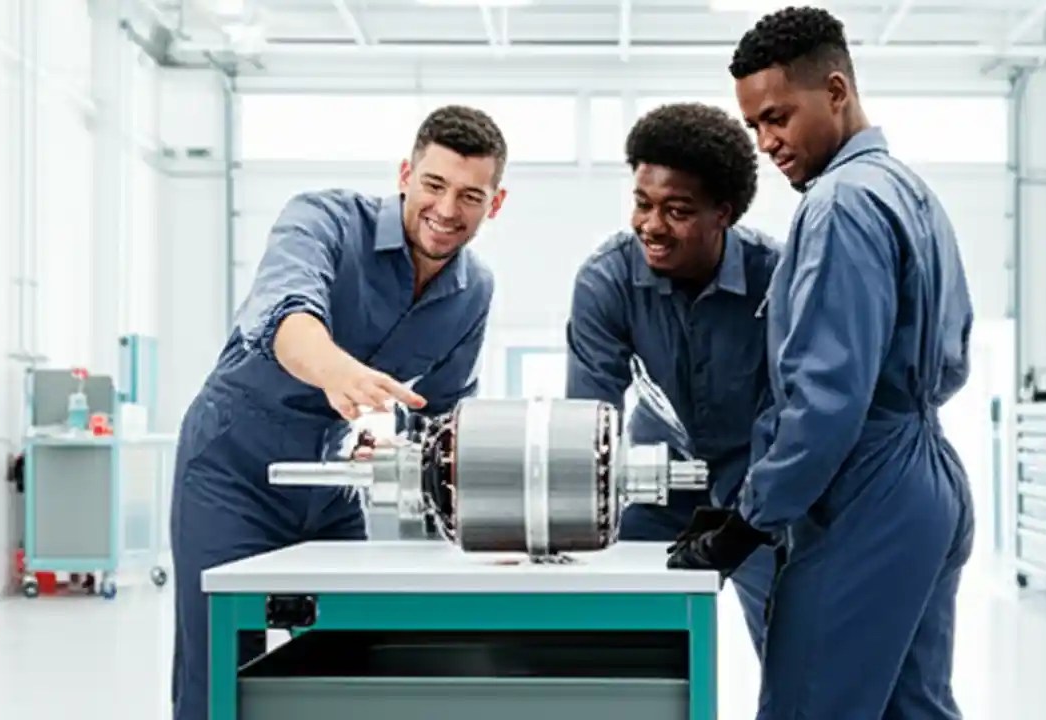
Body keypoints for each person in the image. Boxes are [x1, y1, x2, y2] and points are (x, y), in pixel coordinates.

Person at [665, 8, 975, 719]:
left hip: (864, 492)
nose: (766, 142)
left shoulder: (839, 205)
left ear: (835, 91)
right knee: (913, 708)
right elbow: (952, 352)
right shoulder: (909, 191)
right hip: (930, 484)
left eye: (777, 117)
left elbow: (825, 402)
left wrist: (750, 520)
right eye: (753, 126)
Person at [169, 105, 508, 720]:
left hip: (328, 483)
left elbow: (443, 416)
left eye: (470, 196)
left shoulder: (474, 291)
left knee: (354, 656)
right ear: (405, 175)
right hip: (230, 470)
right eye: (433, 184)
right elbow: (286, 318)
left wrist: (413, 456)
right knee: (220, 671)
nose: (446, 209)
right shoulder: (321, 220)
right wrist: (337, 371)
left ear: (496, 203)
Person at [565, 102, 780, 657]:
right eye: (642, 203)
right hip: (660, 487)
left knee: (795, 655)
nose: (652, 226)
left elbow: (797, 408)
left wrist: (754, 511)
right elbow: (588, 424)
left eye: (677, 210)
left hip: (759, 492)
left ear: (722, 213)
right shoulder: (607, 279)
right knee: (628, 651)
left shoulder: (777, 277)